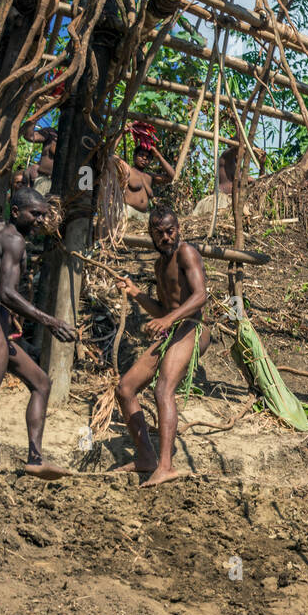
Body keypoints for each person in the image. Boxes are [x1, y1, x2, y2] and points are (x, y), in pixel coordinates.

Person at [0, 188, 76, 477]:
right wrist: (51, 321)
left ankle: (35, 459)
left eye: (43, 214)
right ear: (17, 211)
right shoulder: (15, 241)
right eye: (35, 214)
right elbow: (7, 293)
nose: (40, 220)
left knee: (41, 383)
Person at [114, 204, 210, 488]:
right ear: (152, 236)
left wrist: (168, 319)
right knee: (125, 388)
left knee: (163, 388)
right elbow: (163, 309)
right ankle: (146, 458)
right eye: (160, 234)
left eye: (170, 231)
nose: (166, 237)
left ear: (178, 229)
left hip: (193, 327)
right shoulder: (159, 265)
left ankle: (166, 466)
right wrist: (136, 294)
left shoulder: (186, 252)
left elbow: (200, 295)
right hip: (173, 329)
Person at [119, 140, 174, 225]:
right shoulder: (127, 170)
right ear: (134, 157)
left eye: (148, 157)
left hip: (143, 216)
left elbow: (172, 176)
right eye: (141, 155)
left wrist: (158, 155)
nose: (144, 158)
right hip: (127, 211)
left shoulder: (149, 177)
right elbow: (109, 157)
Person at [21, 123, 57, 195]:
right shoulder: (51, 133)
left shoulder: (79, 142)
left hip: (64, 185)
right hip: (43, 182)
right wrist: (34, 119)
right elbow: (29, 136)